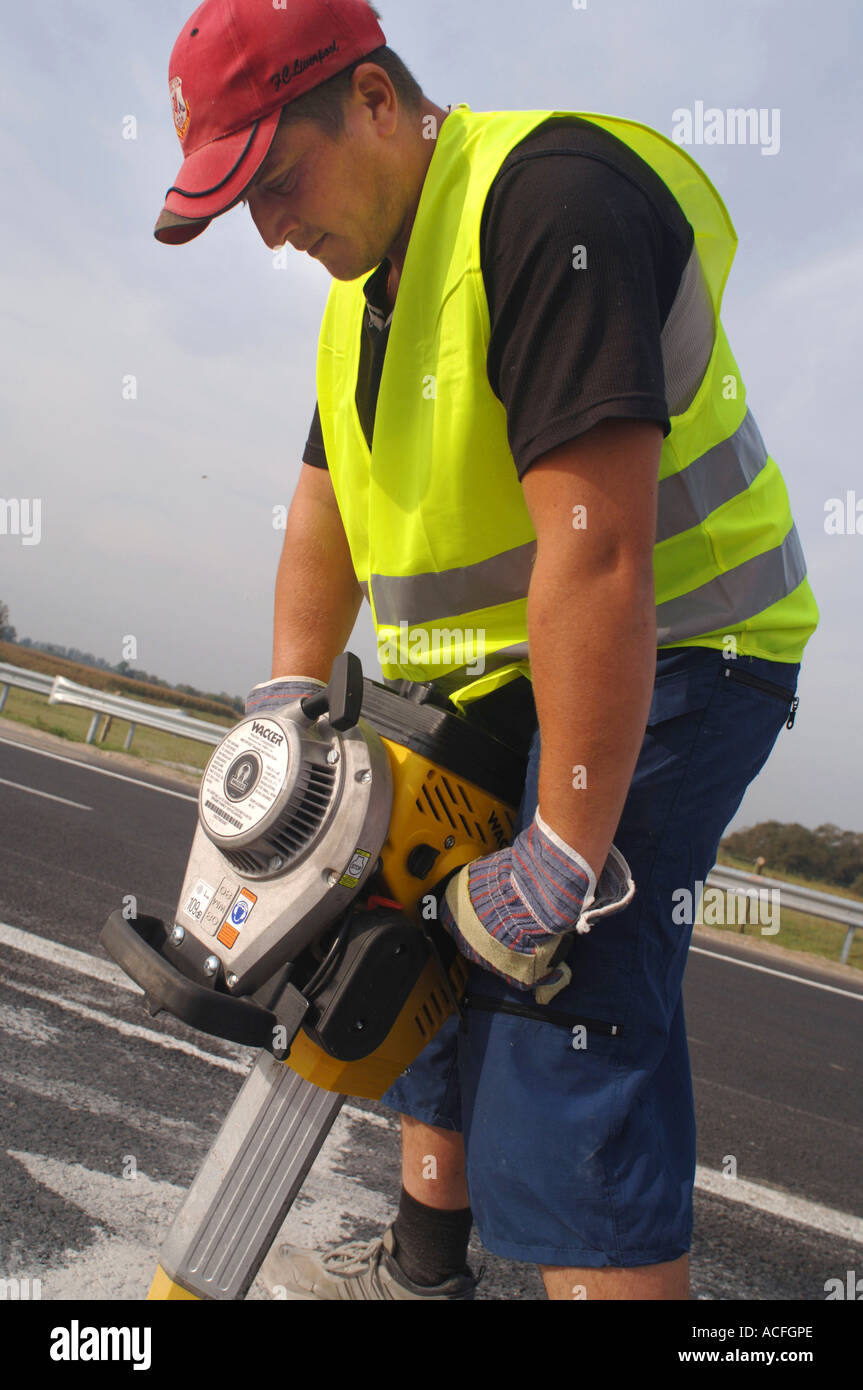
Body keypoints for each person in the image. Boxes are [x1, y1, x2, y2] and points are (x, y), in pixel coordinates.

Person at [153, 0, 819, 1300]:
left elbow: (601, 553)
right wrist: (291, 699)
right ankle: (423, 1266)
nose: (272, 229)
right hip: (515, 663)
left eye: (278, 179)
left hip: (682, 643)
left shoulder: (545, 203)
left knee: (557, 1006)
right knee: (389, 929)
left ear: (378, 102)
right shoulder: (364, 293)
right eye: (245, 207)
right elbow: (326, 508)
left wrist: (563, 854)